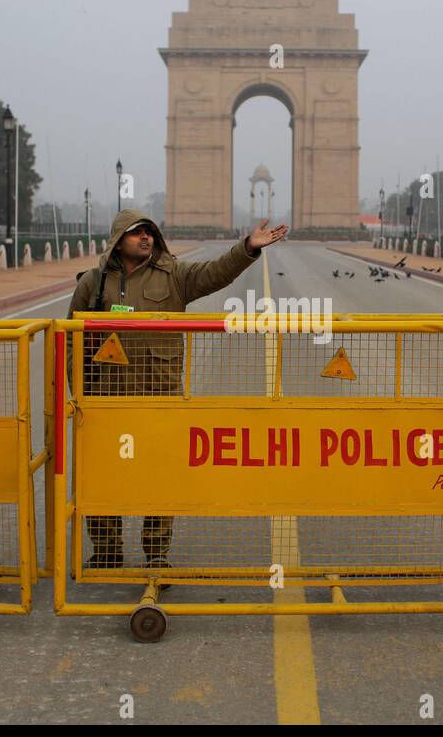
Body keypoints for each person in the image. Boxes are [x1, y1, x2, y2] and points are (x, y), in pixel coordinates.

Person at [68, 207, 288, 569]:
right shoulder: (94, 282)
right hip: (106, 400)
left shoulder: (174, 276)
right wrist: (79, 389)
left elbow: (215, 274)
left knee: (159, 478)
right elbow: (71, 338)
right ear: (118, 240)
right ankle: (106, 550)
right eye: (137, 232)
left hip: (160, 396)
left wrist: (247, 248)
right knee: (103, 476)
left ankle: (156, 554)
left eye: (149, 232)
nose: (146, 237)